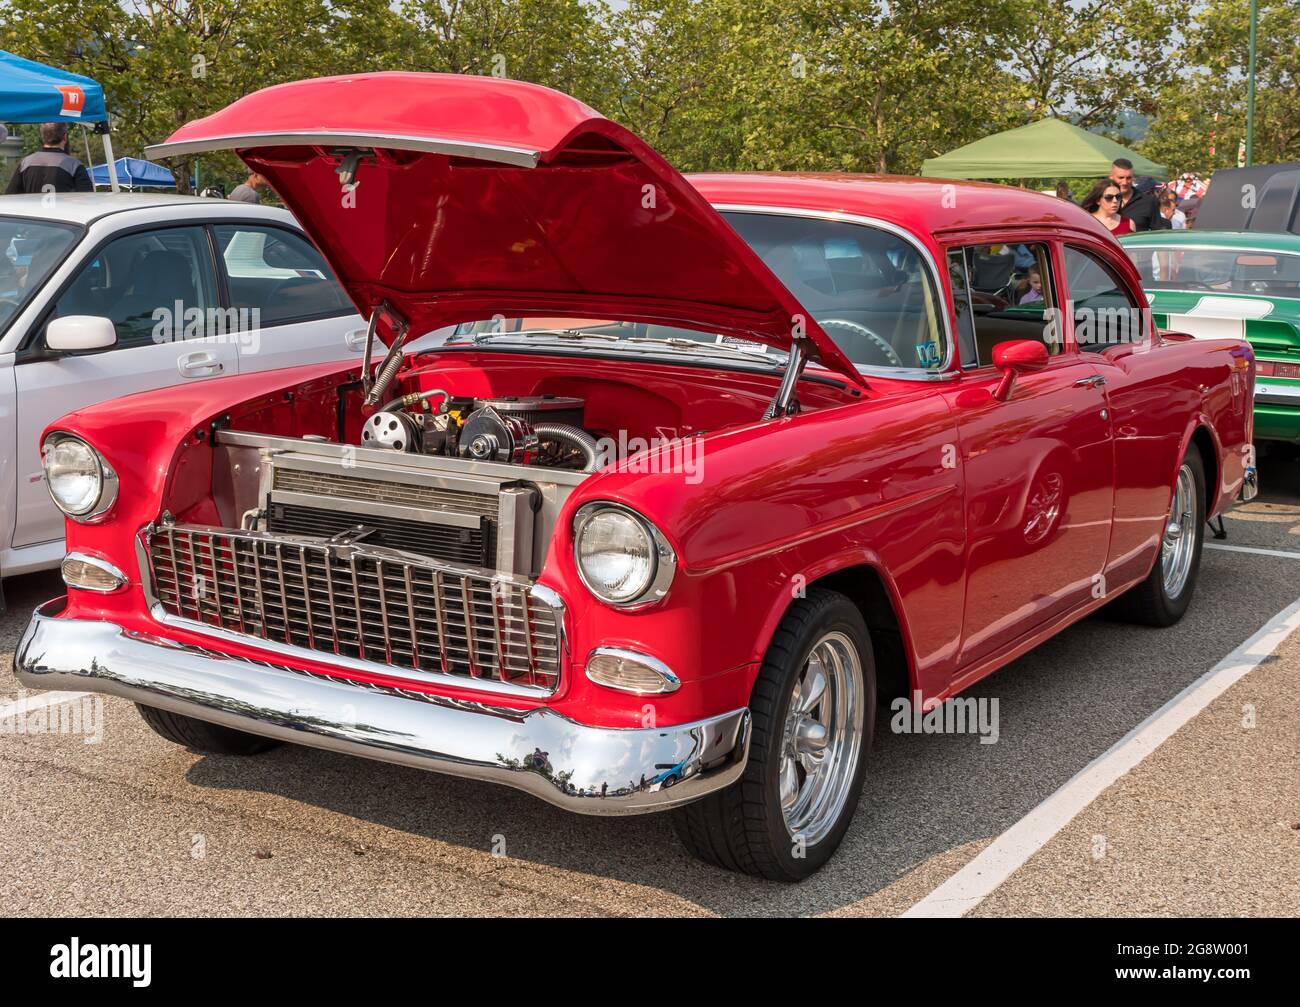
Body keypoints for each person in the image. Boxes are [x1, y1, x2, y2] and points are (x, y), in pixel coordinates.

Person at [4, 122, 93, 194]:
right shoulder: (74, 165)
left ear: (43, 137)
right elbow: (87, 199)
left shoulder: (25, 163)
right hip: (64, 215)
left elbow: (10, 196)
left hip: (32, 215)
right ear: (65, 137)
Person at [1108, 158, 1169, 231]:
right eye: (1120, 178)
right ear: (1111, 177)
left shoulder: (1148, 201)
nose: (1125, 182)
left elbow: (1158, 231)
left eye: (1128, 178)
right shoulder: (1101, 200)